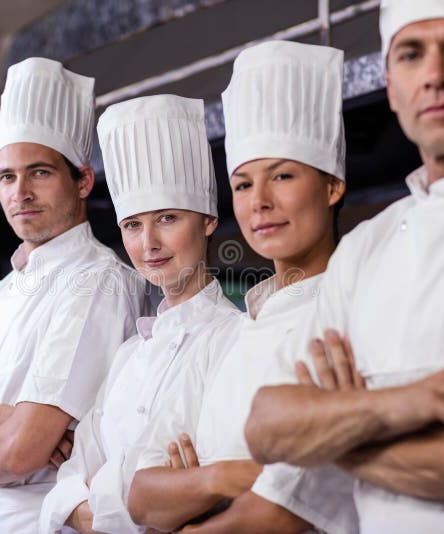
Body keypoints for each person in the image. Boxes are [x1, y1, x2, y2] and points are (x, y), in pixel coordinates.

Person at [245, 1, 444, 532]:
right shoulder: (366, 246)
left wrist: (333, 435)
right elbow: (265, 427)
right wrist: (408, 403)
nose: (436, 76)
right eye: (413, 54)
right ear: (392, 88)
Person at [0, 57, 150, 533]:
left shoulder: (98, 281)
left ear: (83, 180)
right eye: (7, 177)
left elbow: (20, 453)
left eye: (39, 173)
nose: (20, 194)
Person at [127, 41, 356, 534]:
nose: (260, 202)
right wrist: (225, 478)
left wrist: (192, 495)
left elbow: (288, 510)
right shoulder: (230, 334)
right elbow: (141, 497)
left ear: (332, 185)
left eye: (283, 175)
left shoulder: (350, 316)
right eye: (244, 184)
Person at [39, 94, 240, 534]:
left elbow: (206, 484)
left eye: (167, 218)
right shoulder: (129, 353)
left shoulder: (235, 338)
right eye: (132, 225)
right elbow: (63, 488)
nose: (148, 243)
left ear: (208, 220)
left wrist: (95, 495)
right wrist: (132, 496)